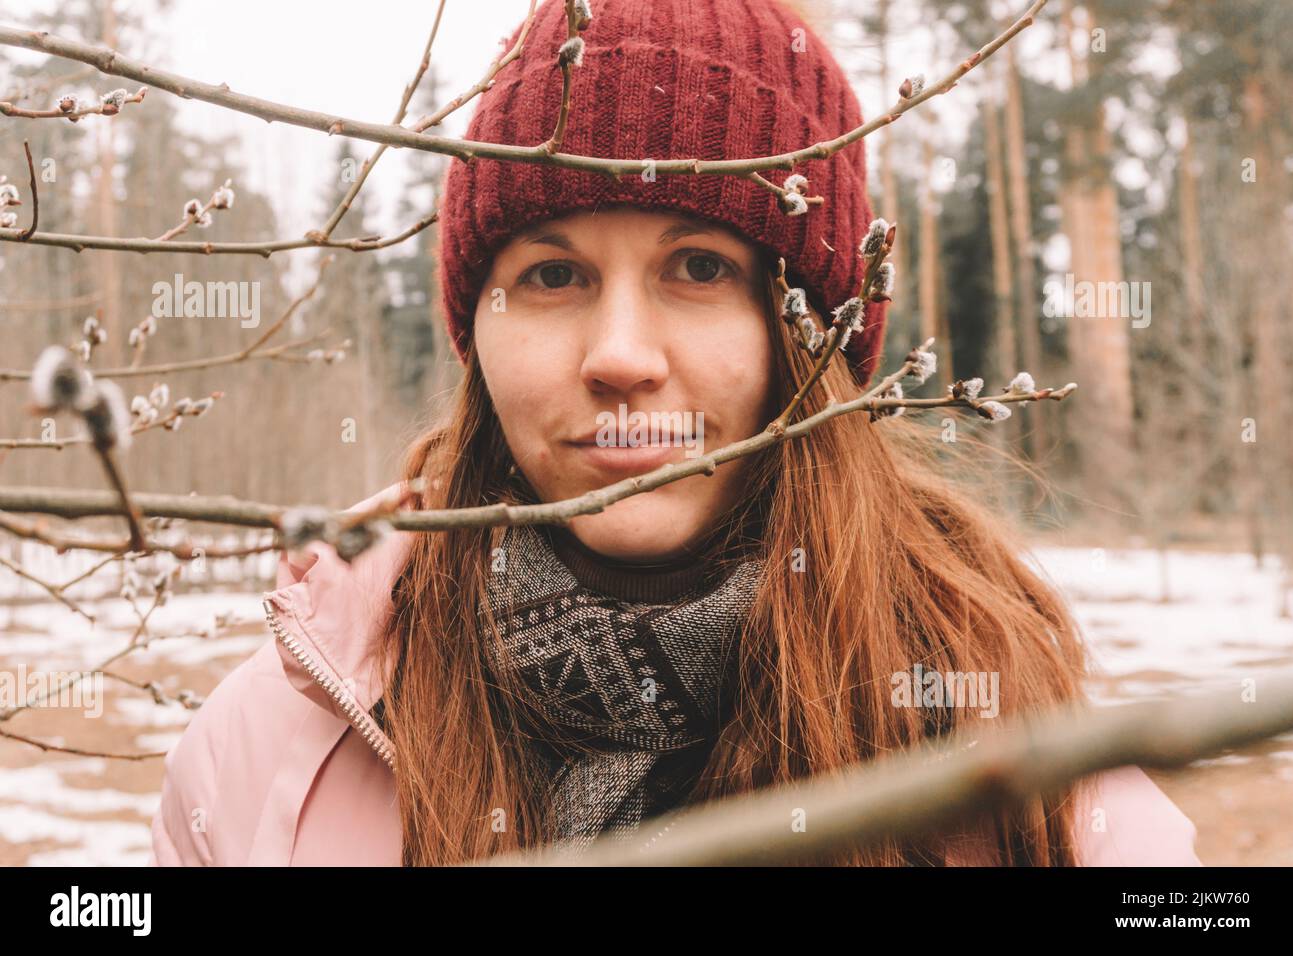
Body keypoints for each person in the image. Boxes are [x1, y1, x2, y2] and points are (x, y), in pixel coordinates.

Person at [150, 0, 1201, 866]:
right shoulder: (270, 748)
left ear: (809, 341)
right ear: (477, 332)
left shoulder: (1016, 743)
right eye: (552, 274)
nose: (618, 354)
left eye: (699, 267)